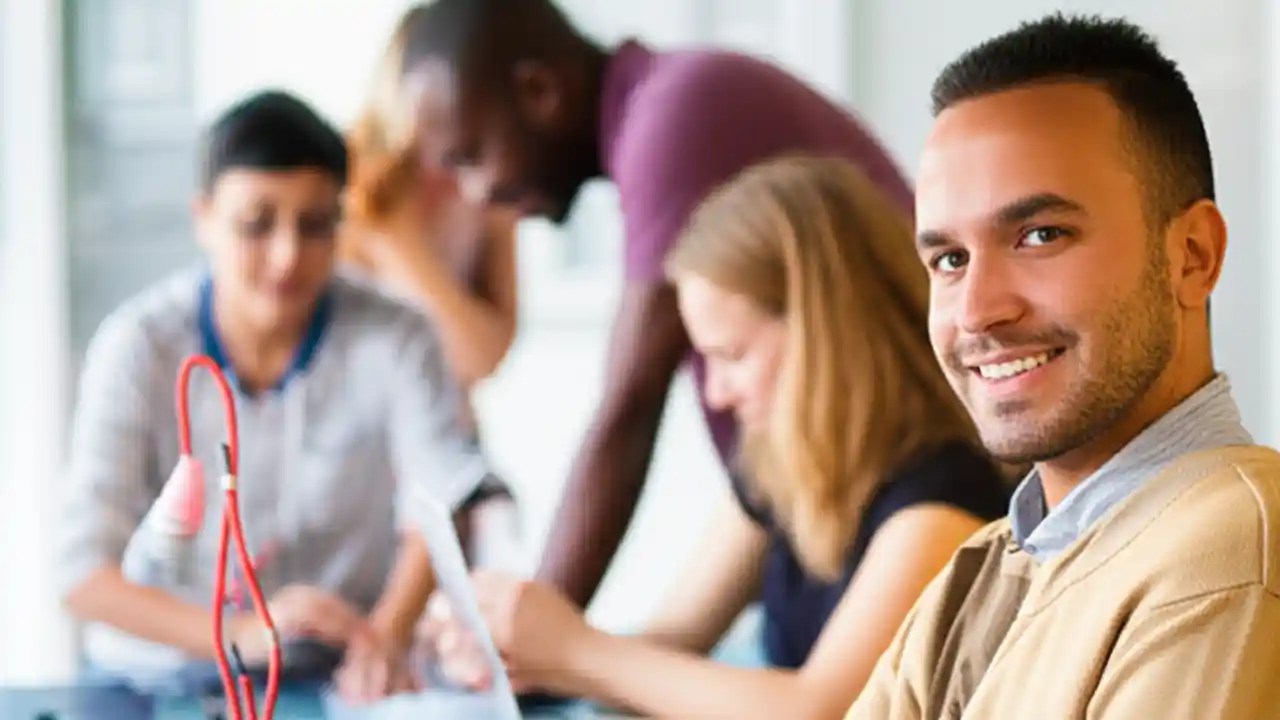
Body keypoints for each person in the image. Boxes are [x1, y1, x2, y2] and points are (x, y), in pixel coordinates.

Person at [421, 156, 1009, 718]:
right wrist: (529, 656)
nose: (717, 394)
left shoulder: (945, 500)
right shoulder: (779, 466)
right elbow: (674, 645)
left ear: (826, 336)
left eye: (732, 355)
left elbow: (821, 709)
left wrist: (576, 651)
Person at [398, 0, 916, 610]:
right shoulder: (668, 104)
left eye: (470, 156)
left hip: (892, 535)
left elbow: (629, 405)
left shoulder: (674, 114)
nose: (477, 194)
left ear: (539, 91)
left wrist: (535, 636)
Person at [848, 14, 1280, 719]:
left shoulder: (1232, 554)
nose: (977, 311)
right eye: (949, 260)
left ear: (1193, 256)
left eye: (1040, 235)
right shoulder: (983, 565)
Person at [56, 90, 493, 702]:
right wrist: (241, 634)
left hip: (334, 674)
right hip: (153, 675)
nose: (288, 256)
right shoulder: (137, 348)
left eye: (316, 225)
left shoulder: (397, 336)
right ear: (203, 217)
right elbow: (82, 576)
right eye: (256, 224)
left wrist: (385, 637)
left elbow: (438, 504)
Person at [342, 6, 523, 568]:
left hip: (449, 447)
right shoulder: (343, 178)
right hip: (353, 462)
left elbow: (483, 353)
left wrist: (401, 243)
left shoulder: (488, 192)